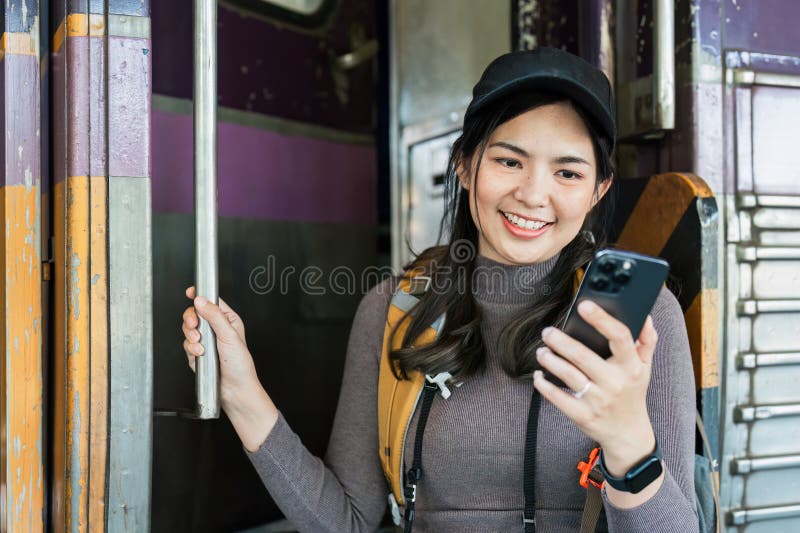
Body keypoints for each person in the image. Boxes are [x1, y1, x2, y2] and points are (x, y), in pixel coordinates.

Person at [181, 47, 698, 532]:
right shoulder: (393, 308)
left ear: (597, 190)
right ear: (465, 165)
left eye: (567, 171)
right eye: (509, 161)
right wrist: (241, 393)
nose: (534, 194)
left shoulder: (638, 315)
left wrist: (630, 442)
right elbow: (347, 522)